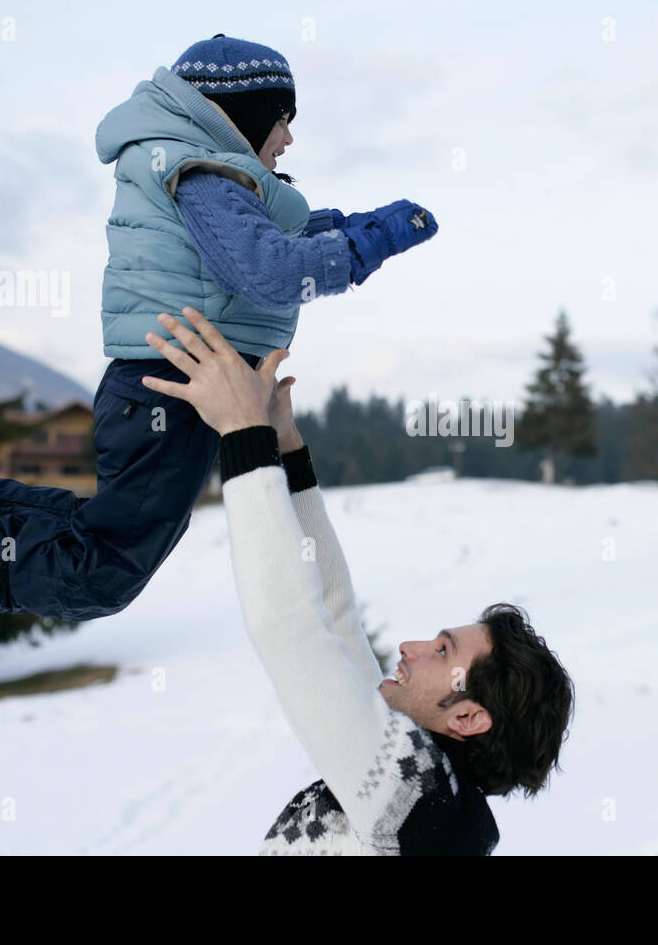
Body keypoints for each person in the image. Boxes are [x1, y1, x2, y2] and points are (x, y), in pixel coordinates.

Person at [0, 35, 437, 641]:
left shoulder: (205, 174)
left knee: (110, 530)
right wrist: (368, 245)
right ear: (241, 114)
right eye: (281, 119)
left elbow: (261, 237)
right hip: (173, 385)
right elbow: (270, 269)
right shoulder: (201, 172)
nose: (288, 139)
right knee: (106, 573)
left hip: (173, 384)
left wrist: (349, 225)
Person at [140, 307, 575, 854]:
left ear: (467, 716)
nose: (410, 647)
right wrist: (284, 446)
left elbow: (291, 631)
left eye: (442, 652)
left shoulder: (420, 797)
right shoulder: (429, 795)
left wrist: (243, 435)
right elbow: (333, 615)